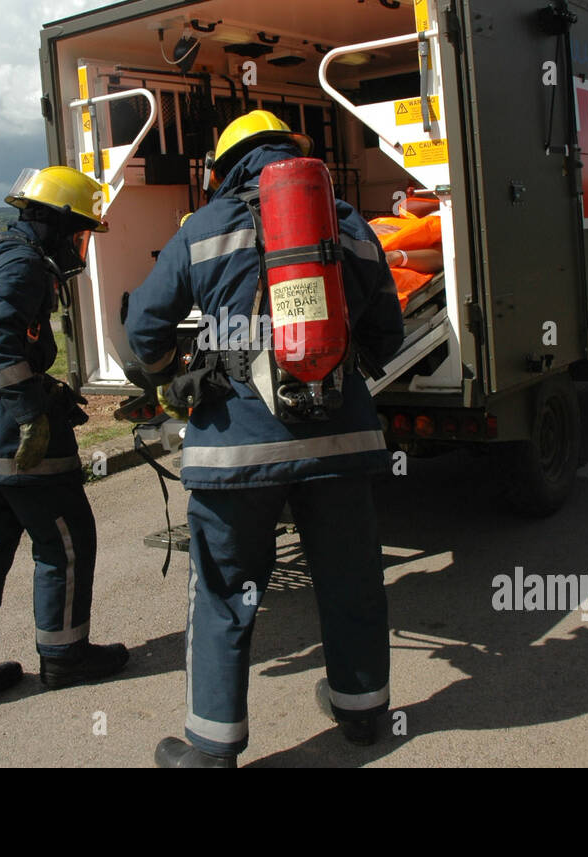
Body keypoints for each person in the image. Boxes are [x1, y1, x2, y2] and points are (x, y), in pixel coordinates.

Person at [125, 111, 405, 766]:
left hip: (233, 450)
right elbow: (387, 335)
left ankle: (212, 746)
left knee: (225, 593)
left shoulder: (202, 228)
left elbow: (144, 330)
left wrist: (178, 378)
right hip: (338, 446)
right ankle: (363, 714)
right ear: (296, 153)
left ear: (224, 169)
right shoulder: (348, 222)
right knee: (351, 580)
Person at [0, 165, 128, 712]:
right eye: (80, 231)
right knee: (66, 541)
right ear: (58, 223)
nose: (80, 244)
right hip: (12, 445)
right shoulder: (22, 264)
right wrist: (33, 415)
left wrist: (48, 394)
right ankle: (66, 657)